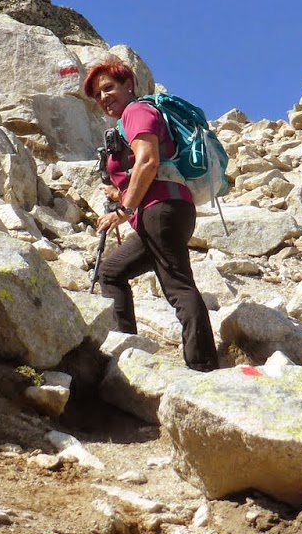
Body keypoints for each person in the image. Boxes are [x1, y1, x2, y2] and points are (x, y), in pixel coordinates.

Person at [85, 61, 218, 371]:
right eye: (97, 94)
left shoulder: (136, 112)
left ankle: (203, 365)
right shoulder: (131, 118)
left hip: (160, 212)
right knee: (111, 271)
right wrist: (122, 196)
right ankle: (126, 349)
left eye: (109, 88)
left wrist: (124, 209)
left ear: (128, 85)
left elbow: (148, 162)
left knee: (178, 286)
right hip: (167, 209)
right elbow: (149, 170)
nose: (103, 97)